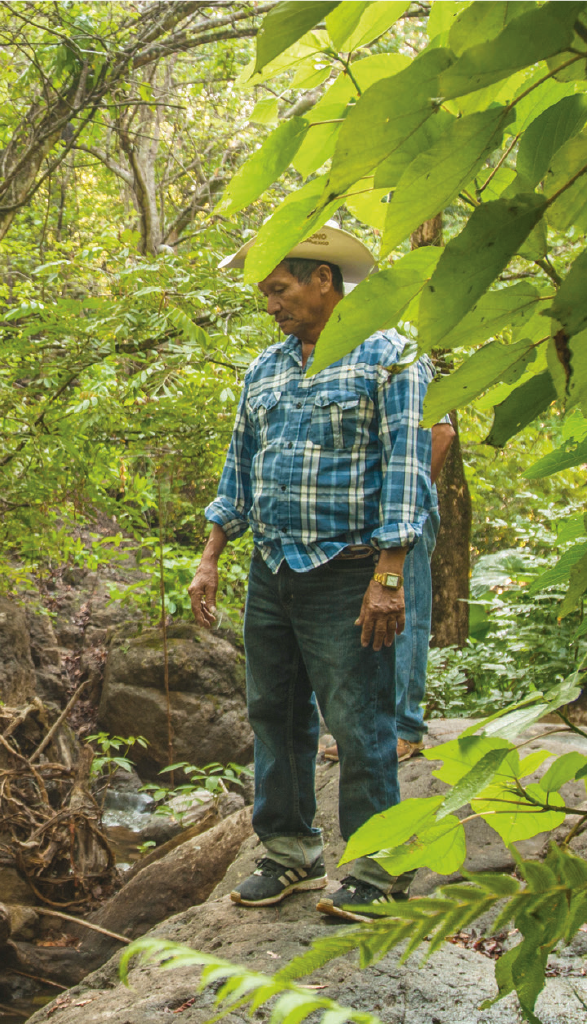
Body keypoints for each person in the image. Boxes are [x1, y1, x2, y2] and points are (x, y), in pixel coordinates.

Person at [188, 222, 439, 922]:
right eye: (265, 292)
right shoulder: (266, 369)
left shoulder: (389, 355)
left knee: (360, 722)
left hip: (346, 571)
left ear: (324, 280)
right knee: (273, 713)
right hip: (273, 569)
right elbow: (239, 468)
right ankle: (292, 852)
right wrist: (211, 556)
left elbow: (408, 468)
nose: (270, 304)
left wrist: (390, 572)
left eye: (280, 288)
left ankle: (379, 867)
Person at [323, 419, 454, 765]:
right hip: (372, 518)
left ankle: (405, 729)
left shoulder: (411, 365)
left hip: (404, 517)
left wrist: (413, 504)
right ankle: (372, 726)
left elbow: (442, 435)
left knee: (405, 617)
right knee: (370, 616)